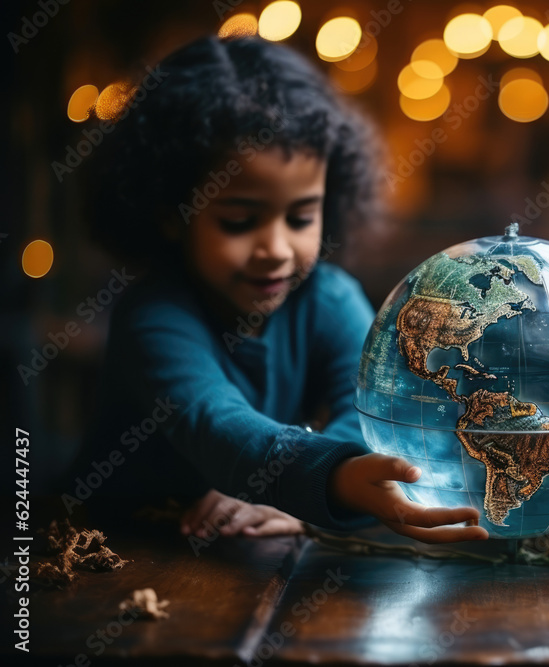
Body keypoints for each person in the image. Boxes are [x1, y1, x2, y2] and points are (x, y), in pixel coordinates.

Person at [75, 35, 488, 543]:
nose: (276, 247)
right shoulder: (154, 317)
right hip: (113, 553)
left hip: (250, 557)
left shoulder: (329, 297)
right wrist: (313, 481)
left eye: (300, 217)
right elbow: (217, 426)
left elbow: (373, 411)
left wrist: (302, 494)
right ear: (168, 214)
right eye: (239, 220)